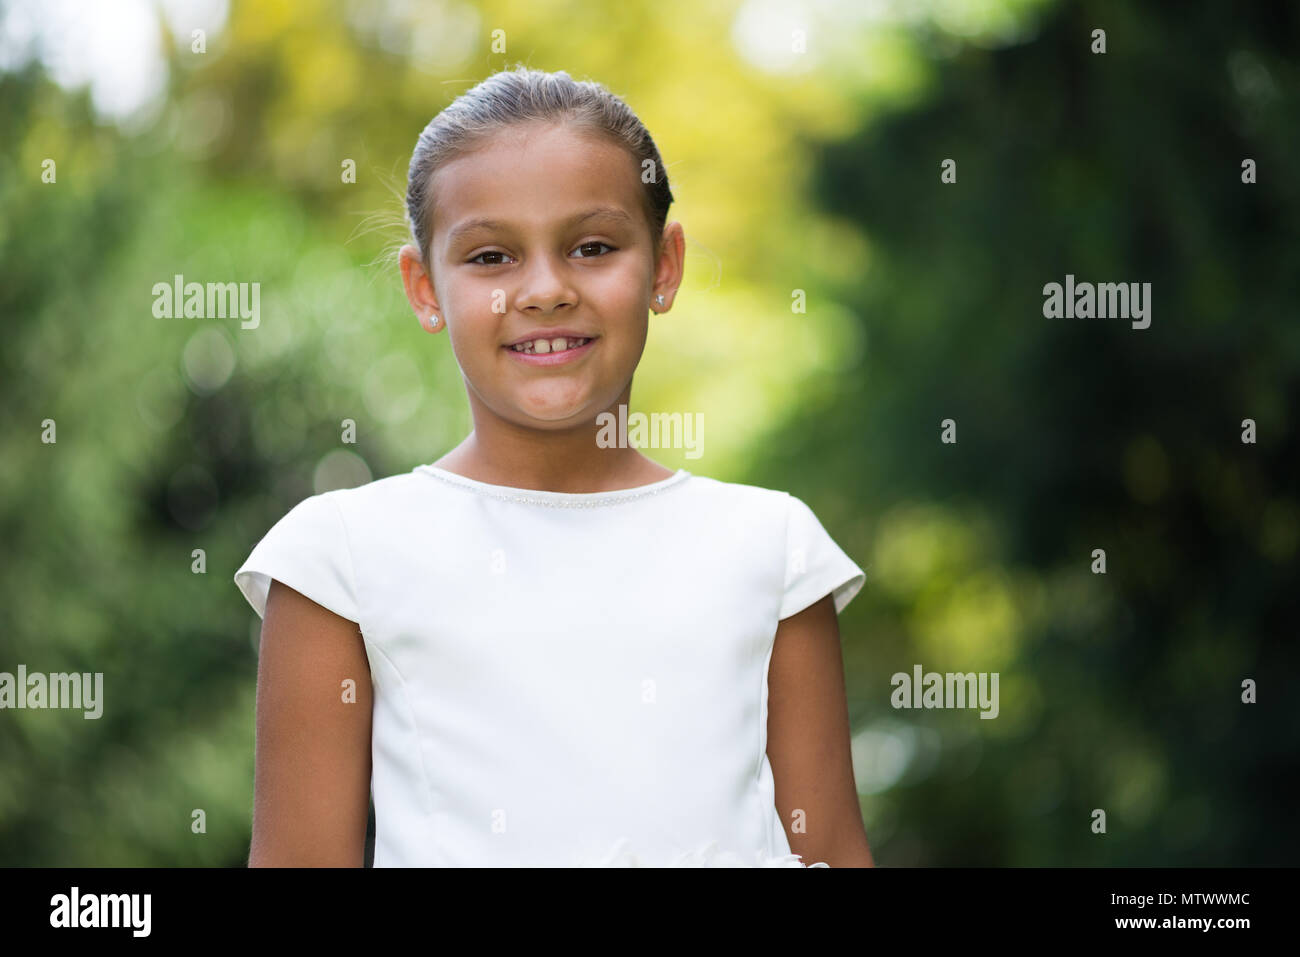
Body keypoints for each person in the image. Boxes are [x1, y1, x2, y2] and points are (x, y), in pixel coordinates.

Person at [235, 65, 873, 867]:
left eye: (593, 246)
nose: (544, 290)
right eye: (492, 256)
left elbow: (834, 849)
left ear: (664, 266)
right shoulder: (339, 558)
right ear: (424, 287)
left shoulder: (771, 545)